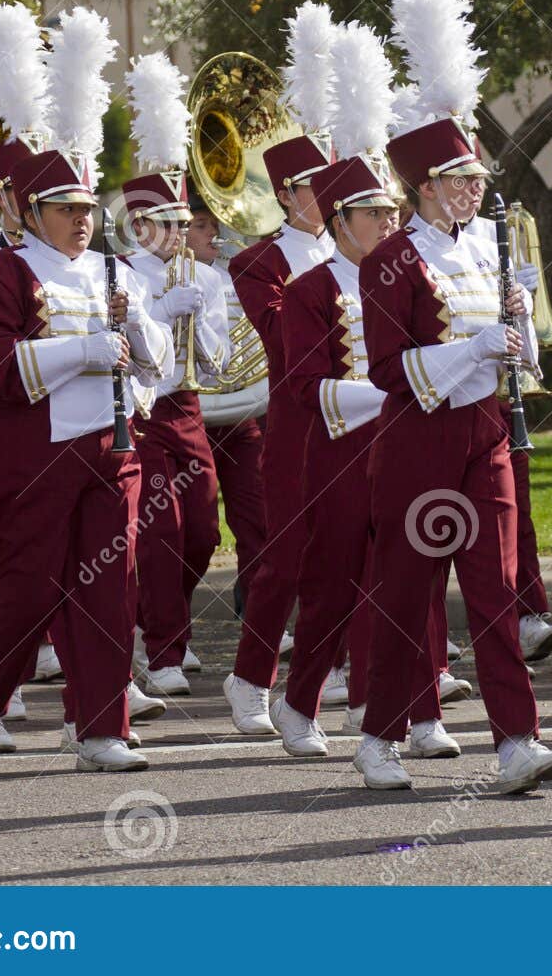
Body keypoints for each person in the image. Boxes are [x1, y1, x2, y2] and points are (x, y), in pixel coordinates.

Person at [355, 109, 552, 794]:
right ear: (423, 186)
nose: (474, 190)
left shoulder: (491, 245)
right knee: (407, 592)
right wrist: (477, 345)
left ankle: (517, 739)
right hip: (420, 440)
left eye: (477, 178)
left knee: (496, 591)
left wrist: (518, 325)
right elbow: (388, 369)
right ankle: (380, 735)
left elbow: (525, 361)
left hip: (485, 433)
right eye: (459, 179)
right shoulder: (391, 260)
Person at [0, 143, 172, 773]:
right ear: (31, 212)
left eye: (87, 209)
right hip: (29, 458)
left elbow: (161, 364)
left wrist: (138, 330)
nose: (81, 221)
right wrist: (83, 351)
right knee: (21, 591)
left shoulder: (115, 272)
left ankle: (99, 728)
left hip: (112, 451)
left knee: (110, 592)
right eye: (64, 209)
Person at [271, 124, 405, 755]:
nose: (386, 223)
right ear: (340, 221)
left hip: (408, 441)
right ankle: (300, 701)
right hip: (341, 446)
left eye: (390, 211)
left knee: (406, 579)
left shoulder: (410, 279)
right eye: (372, 213)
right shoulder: (311, 289)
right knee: (334, 580)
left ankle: (399, 708)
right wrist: (397, 394)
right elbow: (304, 383)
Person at [221, 124, 335, 734]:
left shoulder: (371, 249)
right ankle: (250, 676)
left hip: (368, 414)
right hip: (299, 420)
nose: (333, 195)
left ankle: (346, 683)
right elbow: (284, 342)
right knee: (287, 557)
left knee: (358, 558)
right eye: (318, 186)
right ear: (289, 196)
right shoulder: (256, 261)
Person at [121, 170, 227, 697]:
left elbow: (216, 367)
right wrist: (162, 310)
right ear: (140, 226)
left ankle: (158, 619)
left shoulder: (205, 278)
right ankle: (165, 652)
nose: (181, 234)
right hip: (142, 411)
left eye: (185, 223)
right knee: (162, 532)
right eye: (169, 224)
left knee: (204, 529)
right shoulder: (119, 274)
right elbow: (128, 350)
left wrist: (201, 316)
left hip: (186, 407)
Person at [186, 197, 268, 625]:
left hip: (242, 414)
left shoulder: (242, 275)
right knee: (195, 532)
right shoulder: (156, 279)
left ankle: (257, 615)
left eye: (214, 224)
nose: (212, 234)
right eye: (201, 225)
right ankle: (165, 623)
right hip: (188, 416)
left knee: (259, 519)